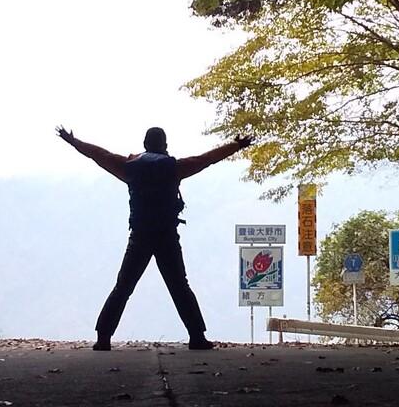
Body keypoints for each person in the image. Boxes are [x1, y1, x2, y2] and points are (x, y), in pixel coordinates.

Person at [56, 125, 253, 351]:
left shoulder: (129, 167)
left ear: (145, 144)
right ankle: (197, 336)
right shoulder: (174, 167)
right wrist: (236, 146)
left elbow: (99, 155)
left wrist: (73, 141)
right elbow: (206, 159)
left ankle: (103, 338)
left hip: (139, 235)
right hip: (166, 235)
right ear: (165, 145)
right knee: (179, 285)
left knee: (123, 286)